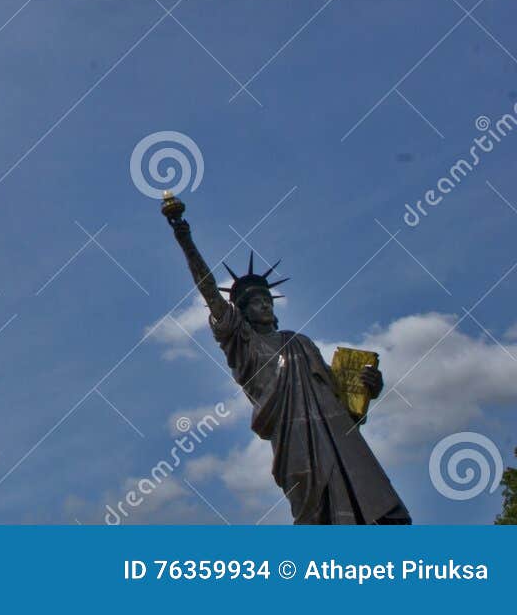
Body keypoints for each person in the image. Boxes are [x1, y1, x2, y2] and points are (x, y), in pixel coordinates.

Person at [163, 194, 411, 524]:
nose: (265, 305)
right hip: (293, 442)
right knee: (314, 516)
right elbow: (210, 292)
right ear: (242, 313)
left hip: (338, 436)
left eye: (268, 300)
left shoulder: (299, 343)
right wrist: (186, 241)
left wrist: (370, 388)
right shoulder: (243, 345)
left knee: (377, 510)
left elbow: (344, 397)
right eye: (255, 303)